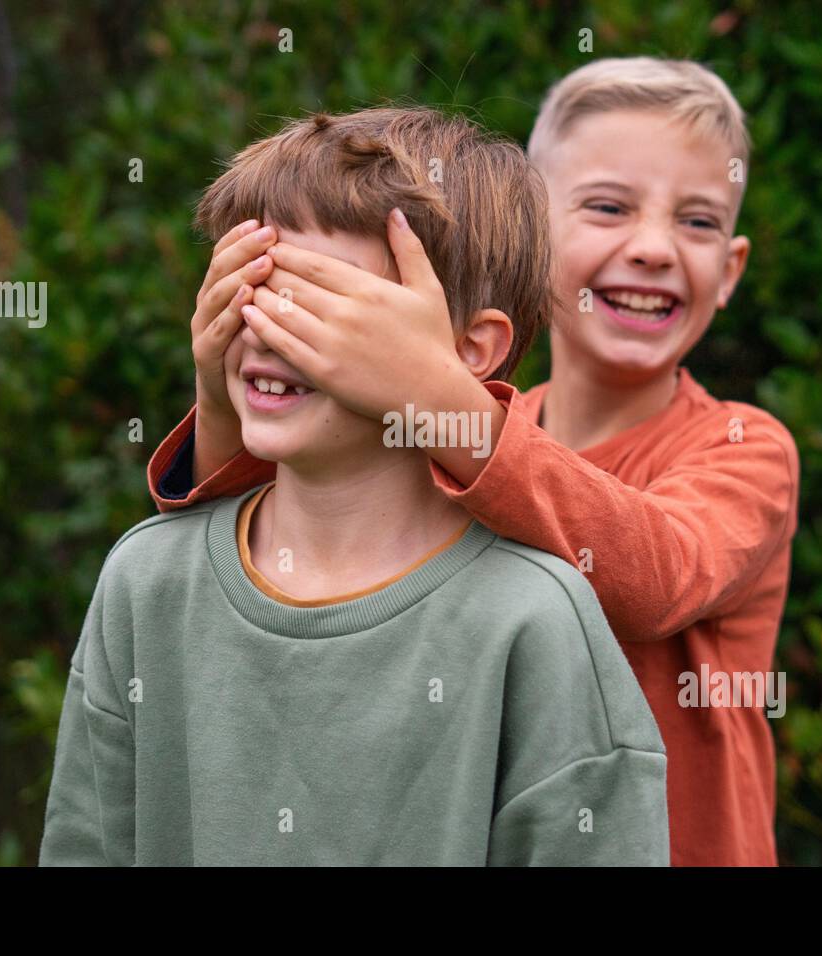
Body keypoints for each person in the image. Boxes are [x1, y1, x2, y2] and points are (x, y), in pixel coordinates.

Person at [147, 59, 800, 866]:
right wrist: (220, 396)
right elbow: (275, 525)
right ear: (541, 235)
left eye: (697, 223)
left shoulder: (744, 448)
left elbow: (658, 577)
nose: (655, 247)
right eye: (607, 207)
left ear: (731, 269)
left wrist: (428, 390)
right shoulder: (462, 439)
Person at [39, 106, 670, 866]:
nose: (270, 328)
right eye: (254, 285)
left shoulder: (532, 620)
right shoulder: (145, 583)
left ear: (470, 350)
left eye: (324, 301)